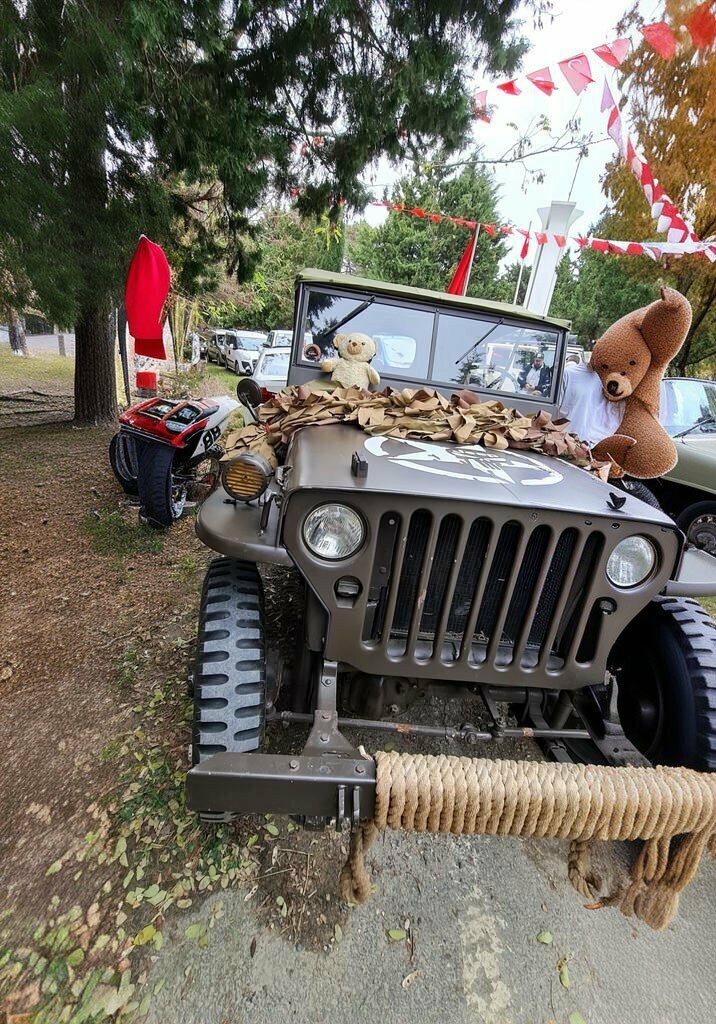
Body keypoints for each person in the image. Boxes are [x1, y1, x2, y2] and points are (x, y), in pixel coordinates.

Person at [559, 358, 624, 447]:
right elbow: (555, 408)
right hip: (562, 439)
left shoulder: (610, 383)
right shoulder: (569, 373)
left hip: (589, 445)